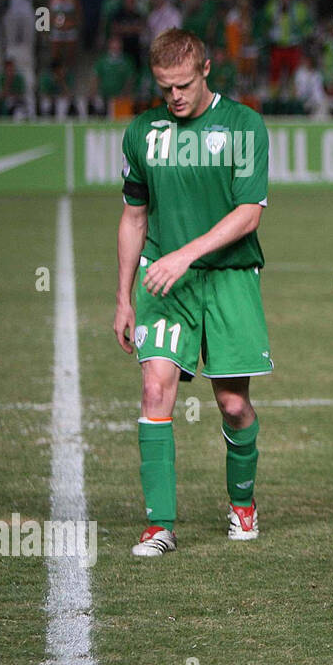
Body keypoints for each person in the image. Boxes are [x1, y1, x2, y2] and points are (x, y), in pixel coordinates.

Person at [113, 28, 273, 557]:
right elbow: (134, 216)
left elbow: (248, 213)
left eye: (182, 85)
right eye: (164, 89)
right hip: (163, 279)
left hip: (228, 276)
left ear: (206, 69)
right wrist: (123, 296)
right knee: (156, 391)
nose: (174, 97)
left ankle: (243, 506)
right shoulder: (142, 133)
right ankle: (159, 525)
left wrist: (189, 254)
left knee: (232, 405)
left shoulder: (244, 126)